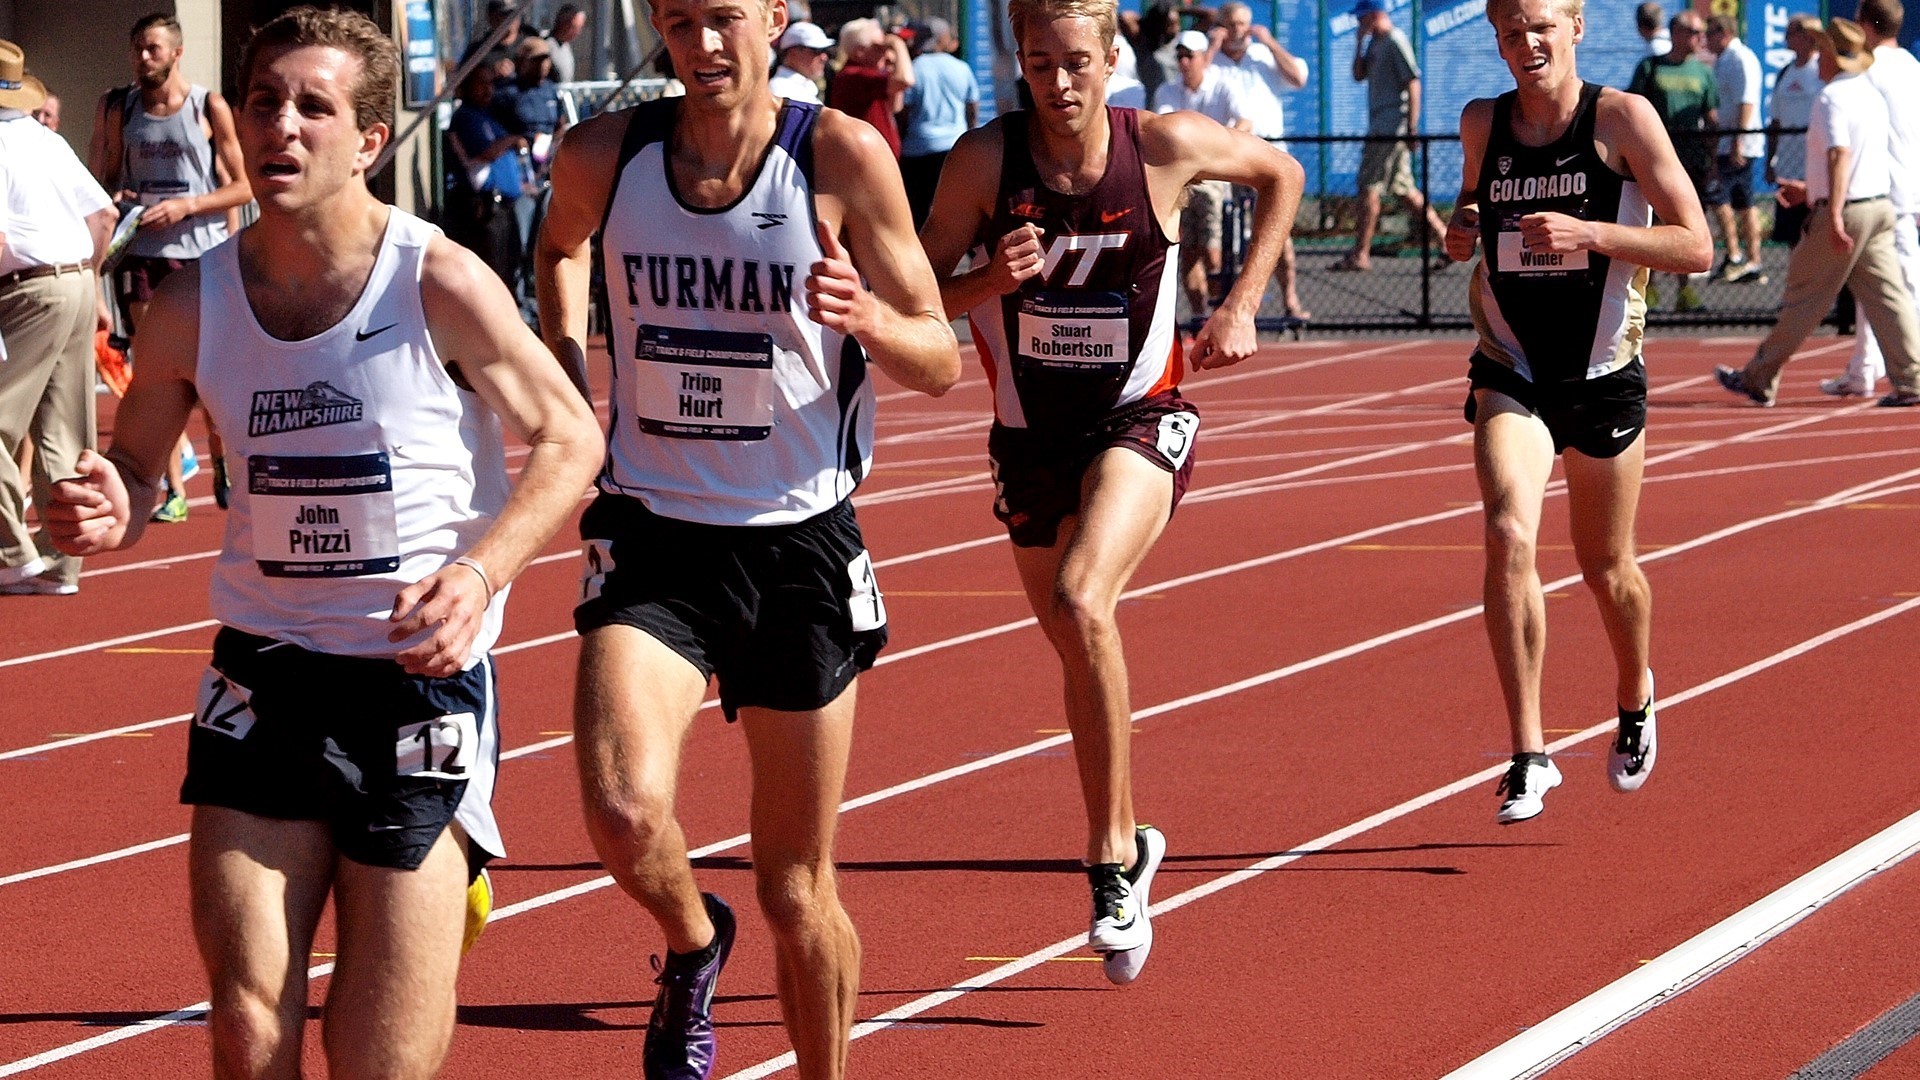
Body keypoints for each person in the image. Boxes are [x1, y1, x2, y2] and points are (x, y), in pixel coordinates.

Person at [41, 8, 603, 1077]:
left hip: (414, 683)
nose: (282, 127)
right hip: (264, 675)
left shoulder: (436, 280)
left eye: (313, 107)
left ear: (370, 140)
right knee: (249, 1019)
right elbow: (141, 466)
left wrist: (480, 575)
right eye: (264, 102)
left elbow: (572, 437)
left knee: (379, 1057)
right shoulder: (192, 301)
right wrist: (112, 502)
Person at [534, 0, 961, 1071]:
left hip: (797, 545)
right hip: (654, 532)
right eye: (680, 22)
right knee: (624, 812)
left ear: (774, 17)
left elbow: (941, 358)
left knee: (796, 887)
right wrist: (568, 376)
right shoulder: (603, 155)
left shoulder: (839, 157)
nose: (705, 46)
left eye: (725, 17)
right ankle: (691, 941)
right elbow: (559, 247)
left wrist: (868, 316)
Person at [919, 0, 1302, 985]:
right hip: (1027, 438)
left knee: (1083, 601)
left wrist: (1243, 302)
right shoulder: (983, 163)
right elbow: (913, 303)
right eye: (1038, 62)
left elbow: (1282, 174)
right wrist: (985, 283)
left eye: (1076, 61)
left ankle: (1106, 865)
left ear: (1112, 57)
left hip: (1140, 415)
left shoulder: (1162, 145)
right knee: (1072, 639)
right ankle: (1131, 837)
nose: (1058, 82)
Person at [1444, 0, 1712, 822]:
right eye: (1509, 32)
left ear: (1575, 27)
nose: (1525, 44)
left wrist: (1590, 234)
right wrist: (1462, 226)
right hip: (1512, 364)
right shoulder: (1482, 122)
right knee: (1507, 531)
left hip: (1601, 372)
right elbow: (1471, 205)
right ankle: (1529, 751)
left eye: (1539, 27)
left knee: (1607, 569)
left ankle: (1635, 692)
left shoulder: (1621, 119)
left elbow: (1697, 245)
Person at [90, 12, 251, 522]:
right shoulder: (119, 108)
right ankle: (174, 489)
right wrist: (116, 198)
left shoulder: (208, 106)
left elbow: (244, 187)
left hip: (198, 254)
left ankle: (224, 461)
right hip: (143, 255)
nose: (143, 58)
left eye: (153, 49)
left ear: (177, 52)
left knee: (211, 370)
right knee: (155, 372)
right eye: (137, 48)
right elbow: (99, 180)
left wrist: (188, 206)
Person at [1715, 19, 1920, 409]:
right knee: (1889, 299)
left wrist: (1834, 212)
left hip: (1847, 211)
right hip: (1878, 207)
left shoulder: (1831, 98)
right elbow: (1859, 160)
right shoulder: (1870, 94)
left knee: (1803, 299)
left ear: (1829, 56)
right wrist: (1813, 190)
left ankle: (1758, 377)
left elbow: (1841, 155)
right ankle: (1911, 380)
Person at [0, 42, 115, 598]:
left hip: (26, 289)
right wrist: (89, 278)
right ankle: (62, 563)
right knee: (65, 432)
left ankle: (11, 552)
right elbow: (105, 214)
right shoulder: (46, 139)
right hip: (76, 281)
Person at [1824, 0, 1920, 399]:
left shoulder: (1869, 70)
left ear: (1865, 24)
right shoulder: (1913, 67)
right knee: (1877, 283)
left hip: (1881, 189)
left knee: (1897, 286)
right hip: (1904, 188)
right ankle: (1864, 369)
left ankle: (1895, 369)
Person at [1209, 0, 1311, 319]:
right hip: (1228, 156)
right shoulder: (1212, 60)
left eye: (1243, 23)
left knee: (1276, 230)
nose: (1238, 30)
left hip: (1269, 152)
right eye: (1231, 24)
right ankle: (1229, 308)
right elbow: (1195, 82)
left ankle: (1290, 301)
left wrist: (1269, 42)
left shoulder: (1262, 55)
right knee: (1226, 235)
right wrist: (1212, 47)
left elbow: (1298, 78)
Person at [1337, 0, 1448, 272]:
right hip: (1379, 125)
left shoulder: (1395, 40)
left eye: (1361, 18)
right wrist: (1359, 43)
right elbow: (1358, 75)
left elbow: (1413, 82)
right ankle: (1445, 239)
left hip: (1390, 128)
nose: (1358, 23)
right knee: (1404, 190)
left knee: (1369, 185)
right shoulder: (1375, 43)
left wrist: (1411, 127)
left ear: (1374, 15)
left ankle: (1361, 253)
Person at [1155, 29, 1251, 317]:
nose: (1184, 62)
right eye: (1179, 56)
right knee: (1187, 253)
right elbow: (1164, 128)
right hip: (1182, 182)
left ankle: (1219, 314)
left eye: (1189, 56)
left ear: (1202, 58)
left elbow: (1245, 122)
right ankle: (1199, 317)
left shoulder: (1224, 86)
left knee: (1213, 254)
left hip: (1215, 180)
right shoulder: (1167, 90)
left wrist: (1215, 151)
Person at [1627, 9, 1716, 312]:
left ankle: (1685, 291)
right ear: (1677, 33)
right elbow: (1633, 112)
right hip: (1652, 162)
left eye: (1702, 33)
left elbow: (1711, 118)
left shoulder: (1703, 72)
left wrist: (1713, 160)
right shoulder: (1650, 68)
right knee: (1650, 223)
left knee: (1686, 224)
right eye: (1695, 33)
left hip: (1691, 161)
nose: (1701, 39)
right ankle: (1648, 288)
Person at [446, 64, 533, 304]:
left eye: (491, 84)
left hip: (507, 206)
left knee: (511, 267)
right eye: (481, 84)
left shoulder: (491, 116)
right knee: (494, 274)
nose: (488, 90)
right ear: (466, 87)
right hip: (486, 208)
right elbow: (486, 152)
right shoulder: (466, 117)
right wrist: (512, 140)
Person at [899, 18, 979, 229]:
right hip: (954, 145)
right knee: (956, 209)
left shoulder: (914, 69)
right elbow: (972, 106)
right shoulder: (961, 68)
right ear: (942, 38)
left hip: (918, 148)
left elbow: (903, 110)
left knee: (918, 212)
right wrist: (971, 134)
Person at [1704, 15, 1765, 283]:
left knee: (1729, 200)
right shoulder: (1723, 59)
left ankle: (1745, 258)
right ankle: (1742, 257)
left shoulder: (1741, 58)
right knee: (1736, 202)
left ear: (1724, 33)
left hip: (1738, 145)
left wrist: (1738, 142)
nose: (1706, 40)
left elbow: (1746, 102)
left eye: (1710, 34)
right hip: (1726, 143)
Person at [1766, 15, 1822, 252]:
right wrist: (1770, 161)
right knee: (1793, 239)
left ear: (1807, 36)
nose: (1785, 38)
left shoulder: (1822, 71)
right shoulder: (1785, 74)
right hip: (1788, 171)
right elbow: (1775, 121)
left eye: (1790, 33)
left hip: (1815, 172)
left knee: (1818, 235)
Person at [828, 18, 914, 159]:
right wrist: (898, 45)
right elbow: (905, 80)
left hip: (879, 157)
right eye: (879, 48)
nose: (884, 53)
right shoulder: (853, 76)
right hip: (867, 158)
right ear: (860, 52)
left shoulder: (868, 75)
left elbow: (895, 106)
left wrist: (892, 65)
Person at [770, 21, 832, 104]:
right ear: (793, 52)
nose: (824, 57)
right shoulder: (781, 90)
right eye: (816, 51)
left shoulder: (800, 87)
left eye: (825, 50)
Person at [545, 3, 586, 84]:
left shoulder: (566, 47)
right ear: (566, 23)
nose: (578, 33)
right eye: (575, 28)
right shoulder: (545, 43)